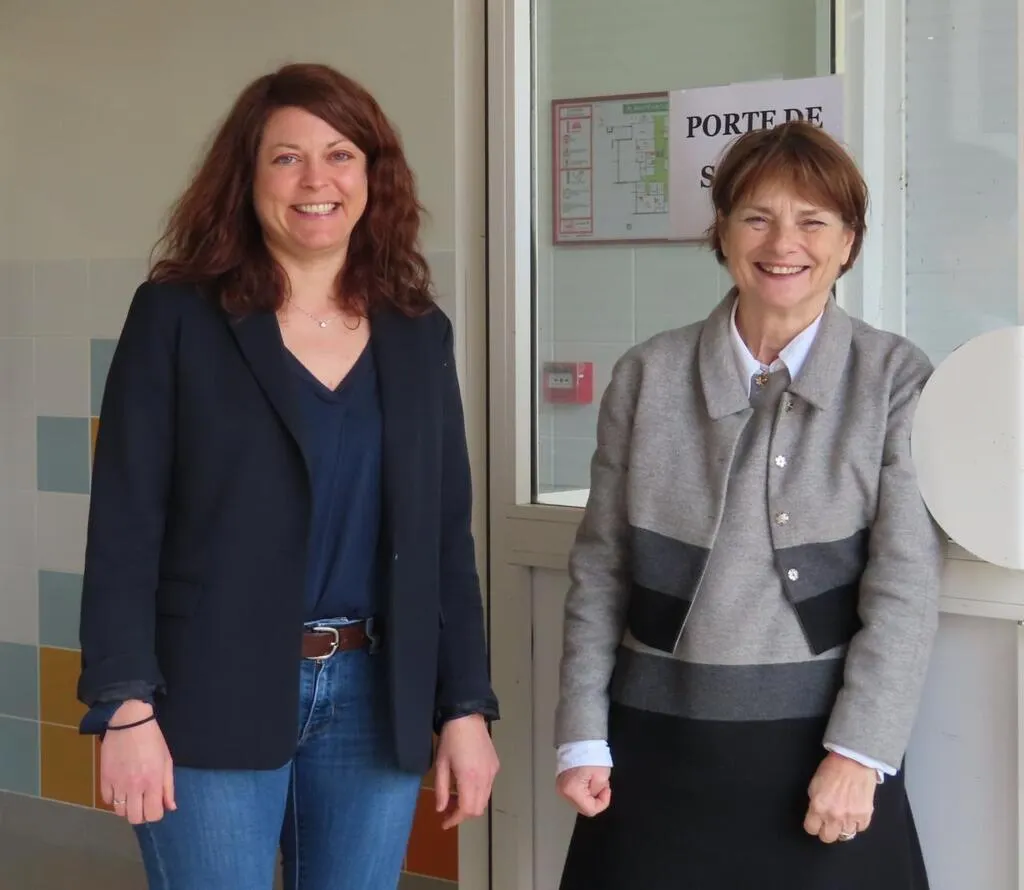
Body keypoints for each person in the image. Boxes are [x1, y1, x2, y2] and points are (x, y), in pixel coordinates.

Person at [76, 62, 499, 890]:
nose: (317, 181)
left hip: (375, 698)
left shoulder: (417, 335)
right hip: (208, 685)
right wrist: (123, 705)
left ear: (373, 176)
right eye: (286, 158)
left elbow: (445, 537)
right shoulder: (176, 317)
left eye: (341, 155)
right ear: (247, 176)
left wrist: (465, 707)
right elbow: (125, 525)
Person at [553, 120, 944, 890]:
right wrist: (581, 736)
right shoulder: (647, 375)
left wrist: (860, 753)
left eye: (813, 221)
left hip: (822, 753)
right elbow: (600, 572)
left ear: (849, 243)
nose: (783, 242)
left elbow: (904, 587)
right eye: (757, 216)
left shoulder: (894, 376)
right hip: (655, 744)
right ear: (723, 233)